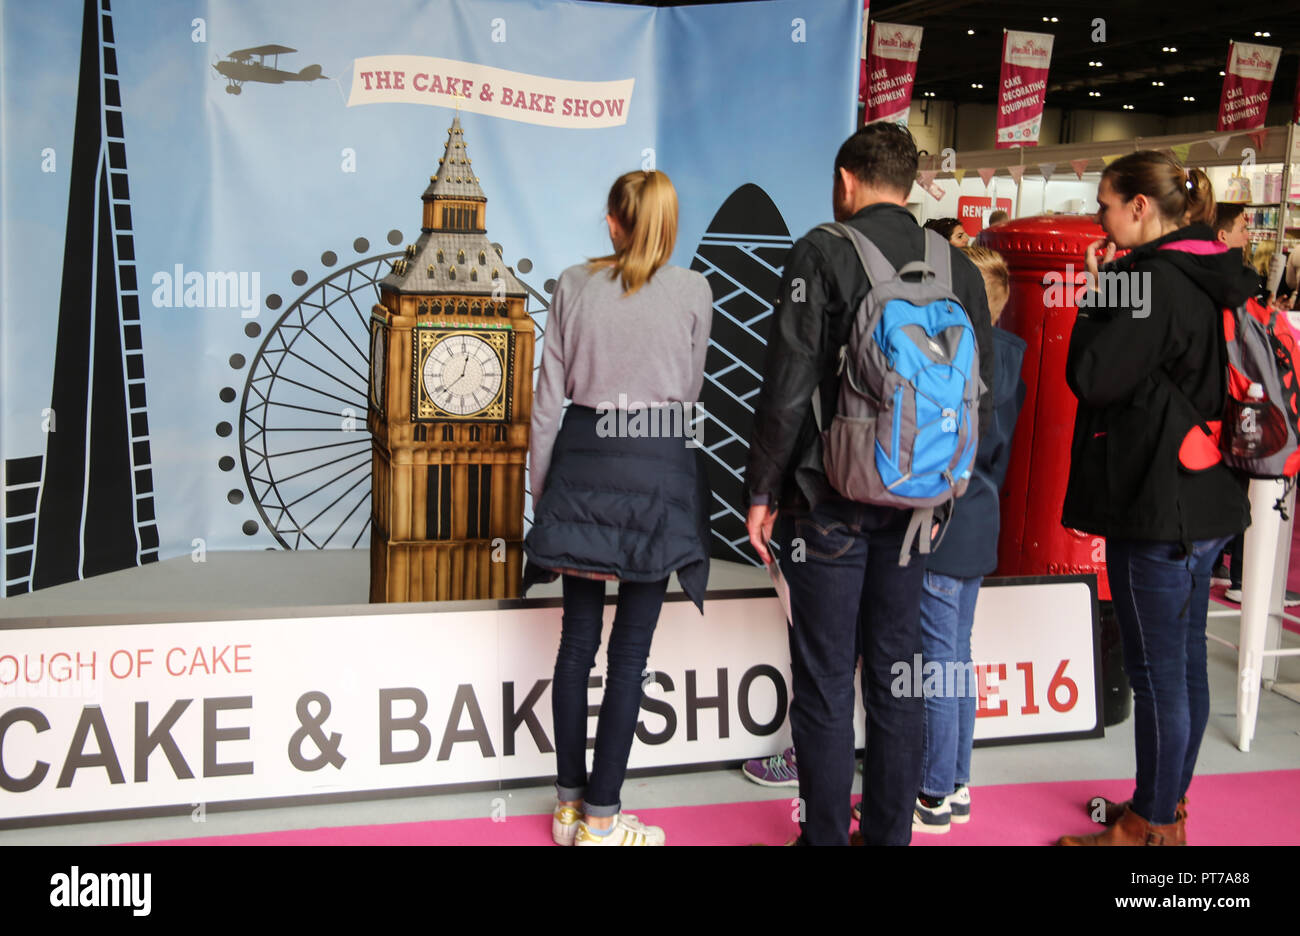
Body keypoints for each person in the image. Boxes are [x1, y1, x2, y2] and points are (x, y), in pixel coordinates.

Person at [744, 122, 994, 846]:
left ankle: (821, 837)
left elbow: (788, 386)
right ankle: (887, 838)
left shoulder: (822, 250)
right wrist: (949, 487)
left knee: (824, 681)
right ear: (909, 183)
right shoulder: (960, 269)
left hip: (829, 500)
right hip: (921, 504)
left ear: (847, 180)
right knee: (899, 676)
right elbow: (982, 397)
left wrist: (761, 489)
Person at [1056, 152, 1253, 846]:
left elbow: (1093, 373)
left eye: (1105, 204)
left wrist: (1093, 291)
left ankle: (1151, 826)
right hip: (1208, 497)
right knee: (1184, 667)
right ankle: (1163, 804)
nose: (1098, 218)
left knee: (1156, 672)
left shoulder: (1144, 279)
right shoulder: (1215, 269)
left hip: (1157, 500)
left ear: (1141, 207)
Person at [522, 169, 714, 847]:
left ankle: (568, 806)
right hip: (656, 464)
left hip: (581, 461)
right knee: (629, 655)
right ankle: (605, 821)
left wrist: (545, 494)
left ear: (614, 222)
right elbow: (686, 395)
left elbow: (548, 401)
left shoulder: (572, 285)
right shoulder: (695, 290)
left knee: (577, 644)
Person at [914, 246, 1025, 834]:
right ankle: (954, 782)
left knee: (938, 661)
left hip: (945, 520)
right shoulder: (1011, 360)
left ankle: (932, 792)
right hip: (983, 519)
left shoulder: (952, 358)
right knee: (957, 657)